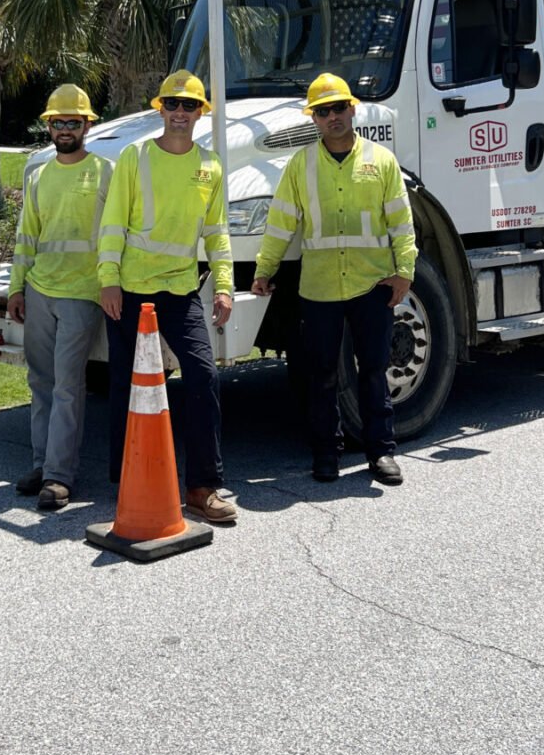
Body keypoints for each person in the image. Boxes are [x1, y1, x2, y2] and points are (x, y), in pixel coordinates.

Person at [253, 72, 416, 486]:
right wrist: (264, 271)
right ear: (314, 119)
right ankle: (327, 454)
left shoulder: (381, 161)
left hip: (372, 285)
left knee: (375, 371)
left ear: (352, 109)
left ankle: (382, 454)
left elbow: (401, 222)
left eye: (338, 108)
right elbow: (280, 225)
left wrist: (404, 273)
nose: (332, 117)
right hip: (320, 289)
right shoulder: (300, 165)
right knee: (322, 375)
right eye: (323, 112)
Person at [98, 70, 237, 526]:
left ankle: (203, 487)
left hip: (180, 289)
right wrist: (109, 279)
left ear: (201, 112)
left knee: (202, 377)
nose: (180, 113)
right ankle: (127, 478)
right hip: (133, 289)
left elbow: (217, 234)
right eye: (172, 105)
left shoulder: (211, 166)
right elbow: (114, 222)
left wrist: (222, 284)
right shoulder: (134, 157)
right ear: (161, 109)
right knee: (126, 385)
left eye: (189, 106)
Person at [7, 85, 113, 513]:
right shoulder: (39, 175)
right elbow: (26, 235)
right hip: (40, 290)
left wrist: (110, 283)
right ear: (48, 126)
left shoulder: (106, 172)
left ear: (88, 125)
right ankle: (41, 464)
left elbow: (114, 234)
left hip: (82, 293)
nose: (65, 128)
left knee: (69, 385)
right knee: (41, 383)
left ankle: (58, 477)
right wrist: (17, 286)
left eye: (74, 121)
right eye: (58, 122)